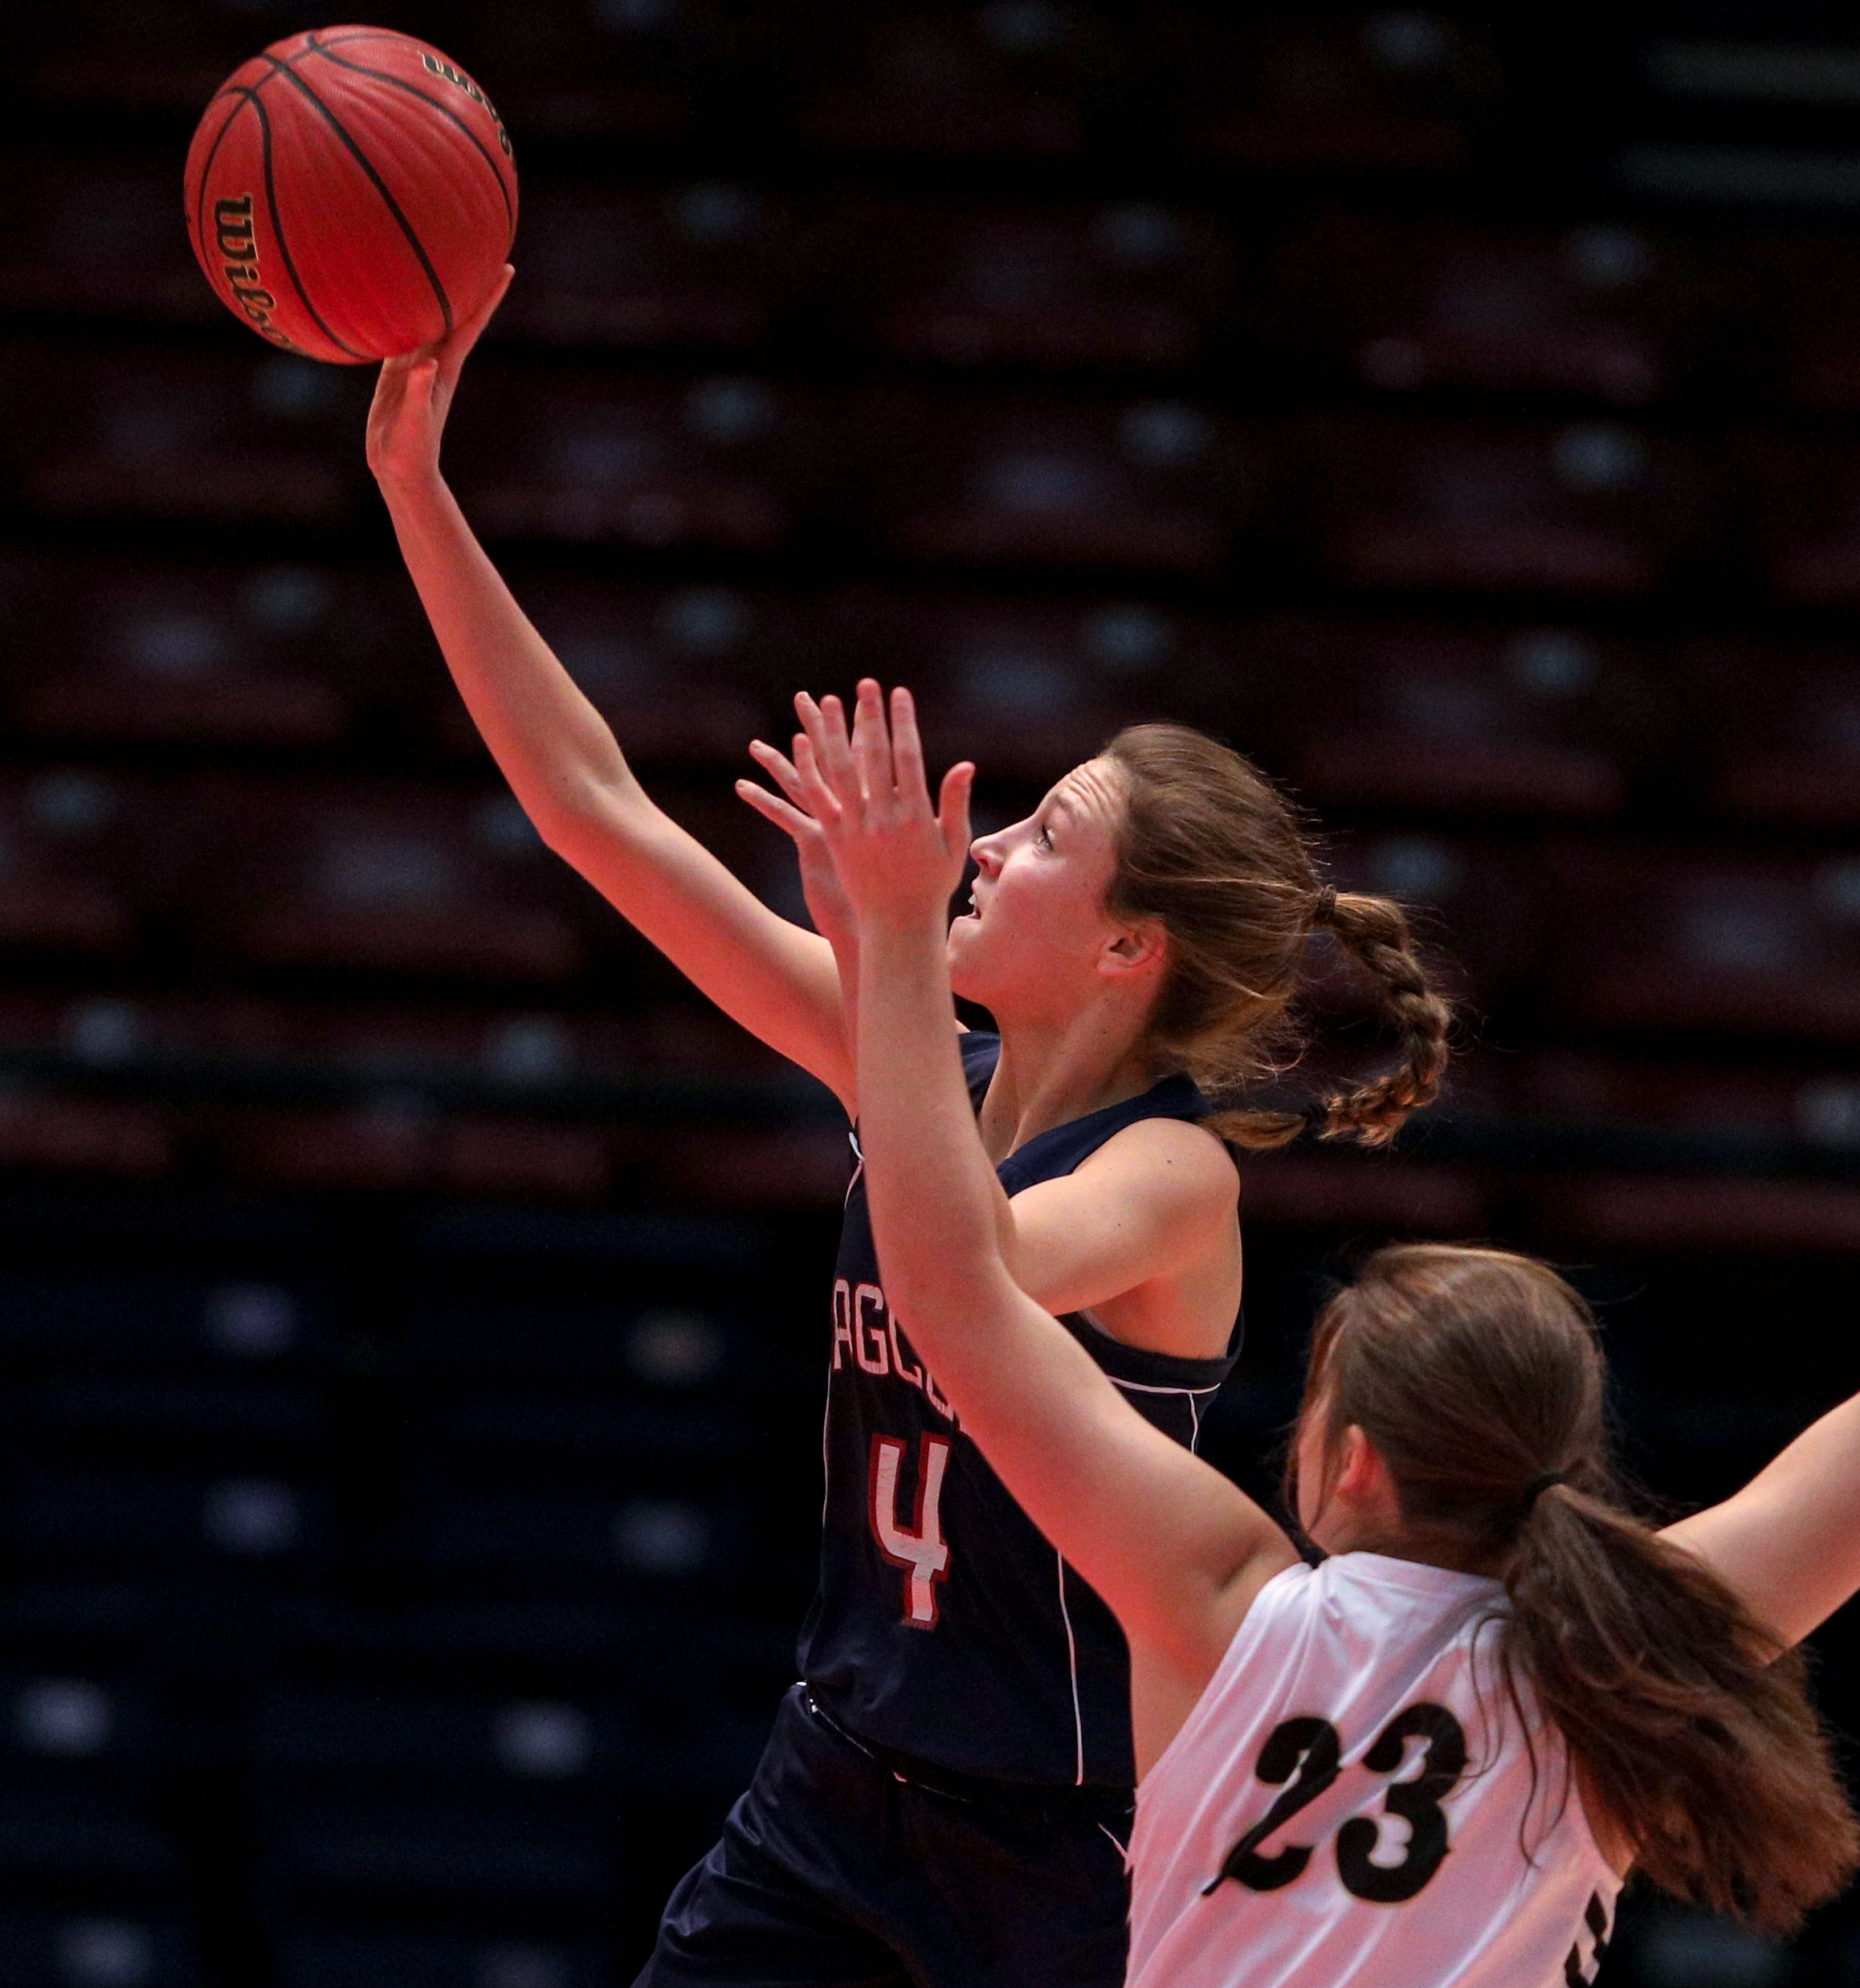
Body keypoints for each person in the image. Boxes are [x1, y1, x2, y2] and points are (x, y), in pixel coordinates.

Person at [365, 276, 1454, 1988]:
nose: (988, 844)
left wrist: (882, 942)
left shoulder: (1174, 1175)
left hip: (1060, 1845)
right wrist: (419, 495)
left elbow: (976, 1274)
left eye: (1042, 834)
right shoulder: (919, 1062)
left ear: (1127, 948)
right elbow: (594, 812)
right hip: (835, 1782)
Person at [816, 680, 1860, 1987]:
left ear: (1352, 1459)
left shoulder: (1224, 1600)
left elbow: (949, 1292)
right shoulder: (1628, 1655)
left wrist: (896, 940)